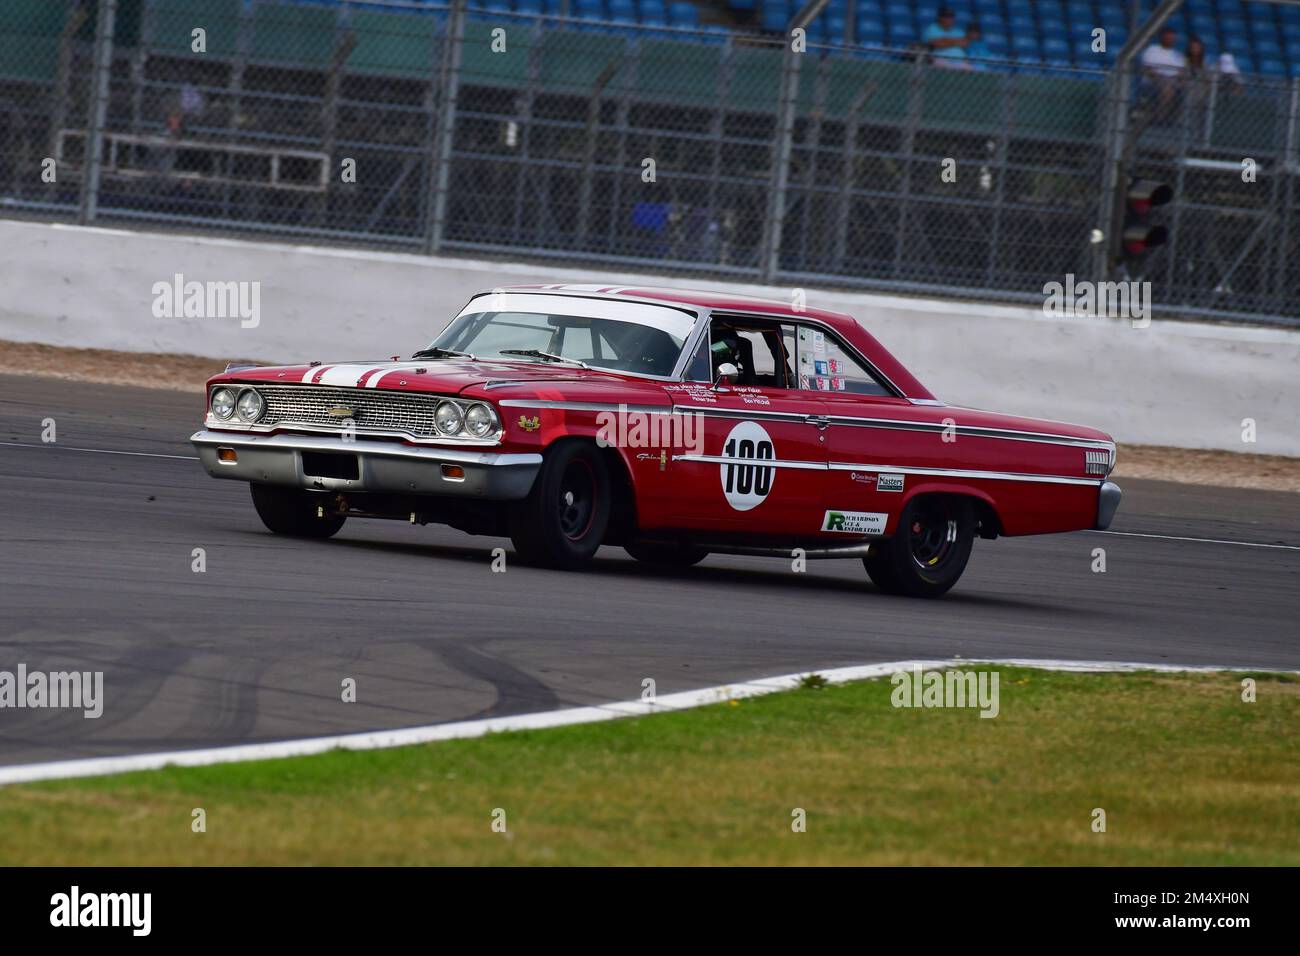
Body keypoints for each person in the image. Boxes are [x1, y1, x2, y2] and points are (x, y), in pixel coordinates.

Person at [1140, 26, 1186, 119]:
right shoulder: (1152, 50)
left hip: (1174, 81)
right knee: (1166, 88)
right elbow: (1148, 69)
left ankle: (1183, 119)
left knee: (1189, 87)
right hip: (1154, 81)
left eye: (1172, 37)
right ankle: (1161, 117)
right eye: (1168, 37)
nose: (1170, 39)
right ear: (1161, 37)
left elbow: (1182, 72)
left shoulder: (1177, 55)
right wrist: (1163, 78)